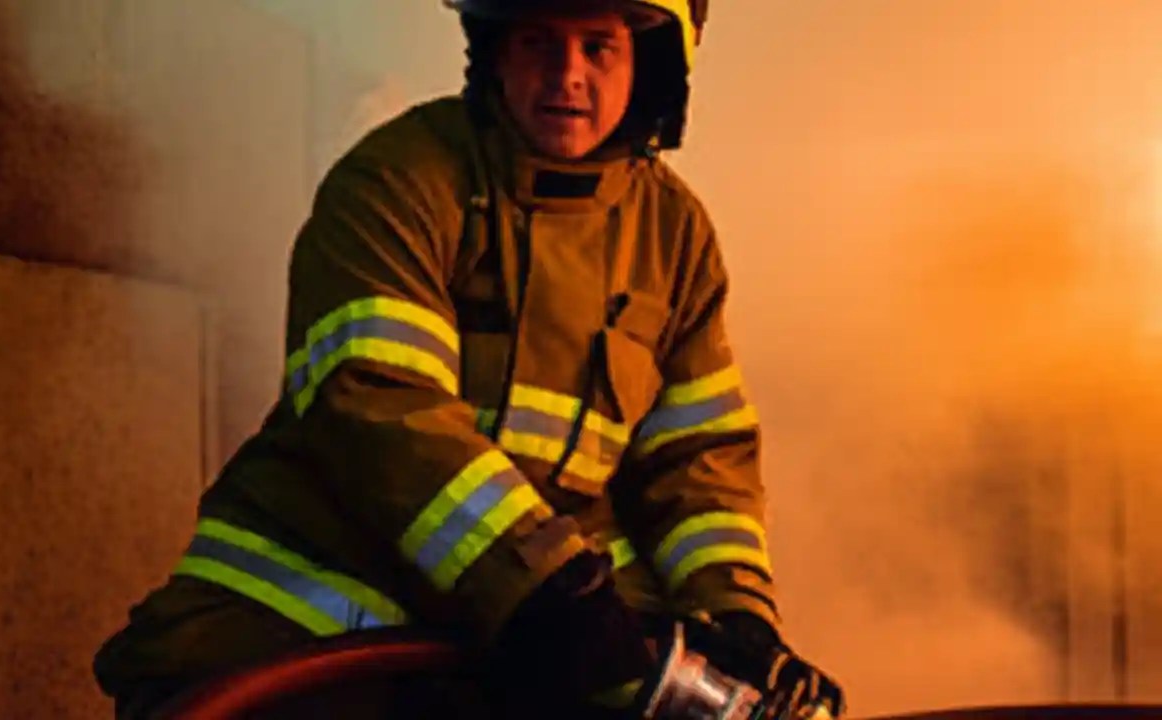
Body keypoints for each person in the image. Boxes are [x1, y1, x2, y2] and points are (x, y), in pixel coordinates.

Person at [93, 1, 847, 717]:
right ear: (494, 49)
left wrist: (734, 618)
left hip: (511, 637)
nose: (567, 75)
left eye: (598, 47)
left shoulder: (673, 236)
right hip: (292, 632)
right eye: (537, 41)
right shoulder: (402, 181)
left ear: (648, 63)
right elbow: (382, 408)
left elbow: (698, 463)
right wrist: (550, 591)